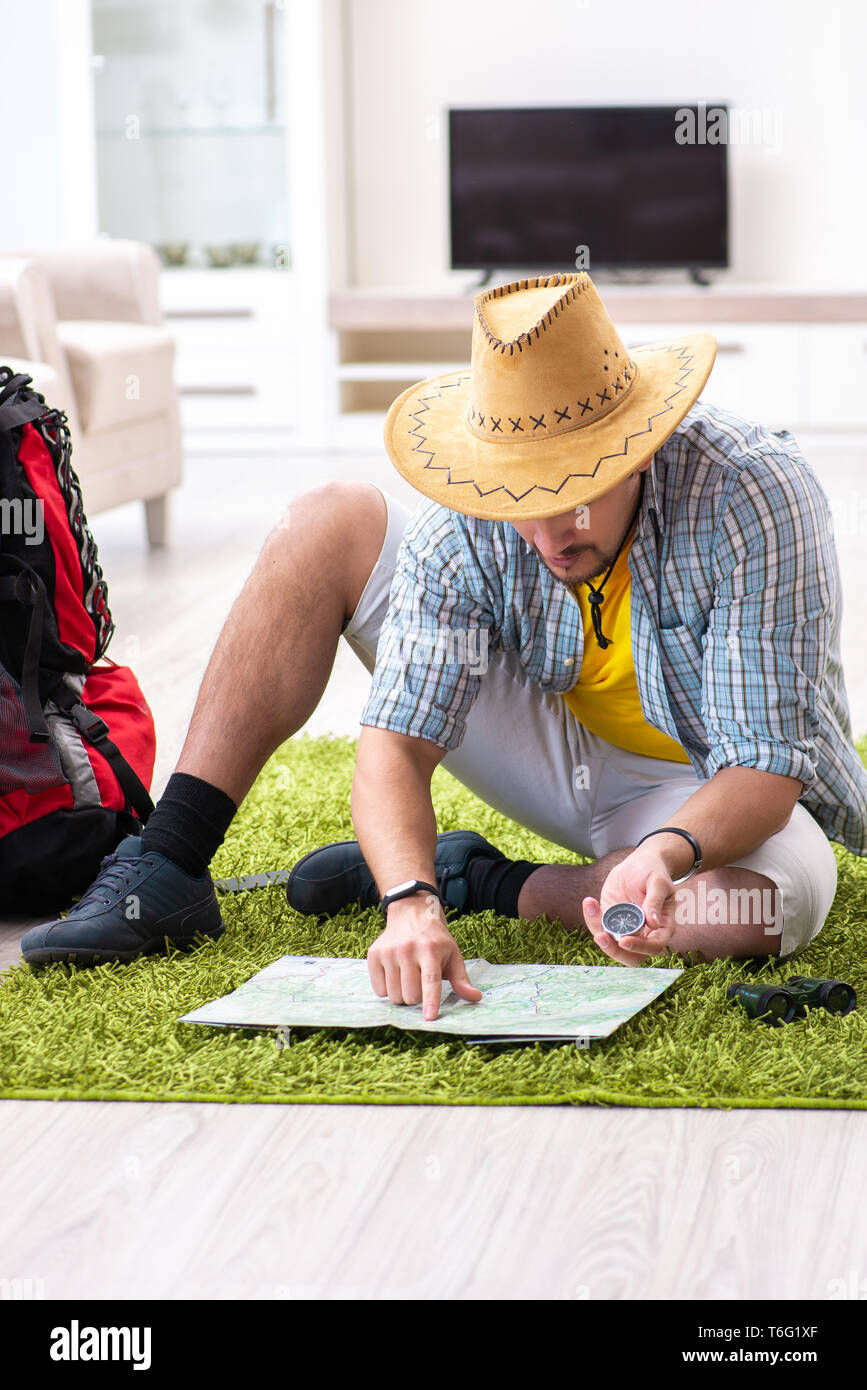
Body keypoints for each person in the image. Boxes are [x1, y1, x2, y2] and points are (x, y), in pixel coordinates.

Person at [22, 273, 867, 1026]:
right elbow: (397, 737)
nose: (544, 533)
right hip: (549, 748)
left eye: (572, 493)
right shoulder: (474, 508)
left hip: (713, 784)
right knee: (327, 518)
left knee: (732, 918)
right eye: (519, 498)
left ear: (638, 449)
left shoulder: (753, 495)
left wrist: (661, 855)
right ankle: (169, 859)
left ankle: (489, 881)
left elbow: (761, 768)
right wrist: (407, 903)